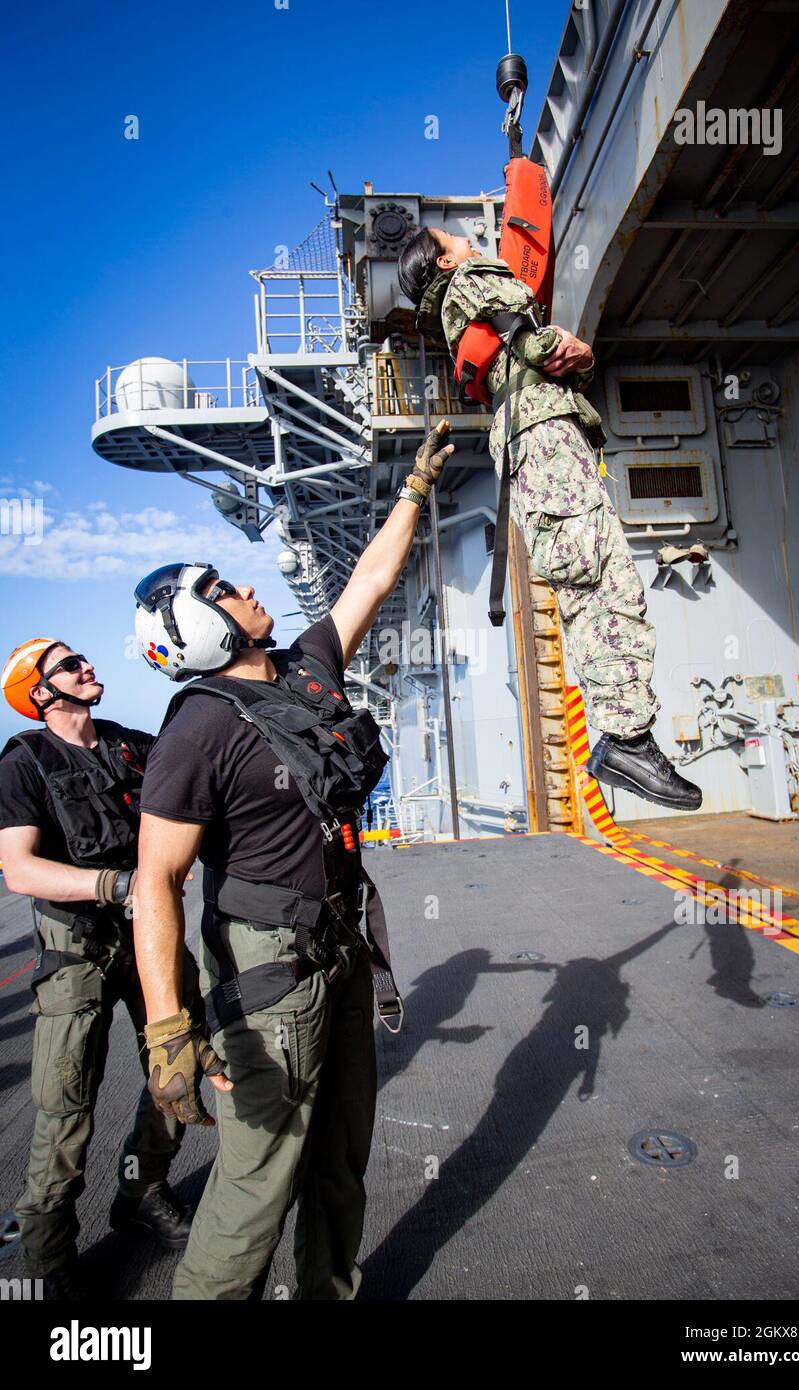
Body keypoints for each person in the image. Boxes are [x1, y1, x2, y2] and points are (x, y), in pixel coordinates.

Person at [132, 422, 453, 1300]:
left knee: (342, 1164)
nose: (247, 588)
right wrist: (170, 1031)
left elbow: (372, 579)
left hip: (341, 954)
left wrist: (415, 488)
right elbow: (155, 881)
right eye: (225, 590)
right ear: (203, 625)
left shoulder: (305, 672)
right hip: (269, 978)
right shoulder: (196, 731)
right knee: (253, 1192)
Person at [398, 227, 702, 812]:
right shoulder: (474, 275)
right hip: (545, 436)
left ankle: (625, 735)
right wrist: (579, 353)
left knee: (595, 588)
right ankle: (626, 737)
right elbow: (538, 346)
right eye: (453, 237)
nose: (466, 238)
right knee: (608, 586)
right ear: (443, 259)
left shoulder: (454, 305)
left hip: (529, 441)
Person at [0, 638, 197, 1299]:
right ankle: (46, 1263)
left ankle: (143, 1190)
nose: (87, 666)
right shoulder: (23, 763)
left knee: (177, 1068)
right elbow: (19, 867)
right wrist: (119, 887)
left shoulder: (130, 745)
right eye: (68, 666)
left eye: (82, 658)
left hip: (149, 936)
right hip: (78, 949)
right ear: (42, 695)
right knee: (65, 1110)